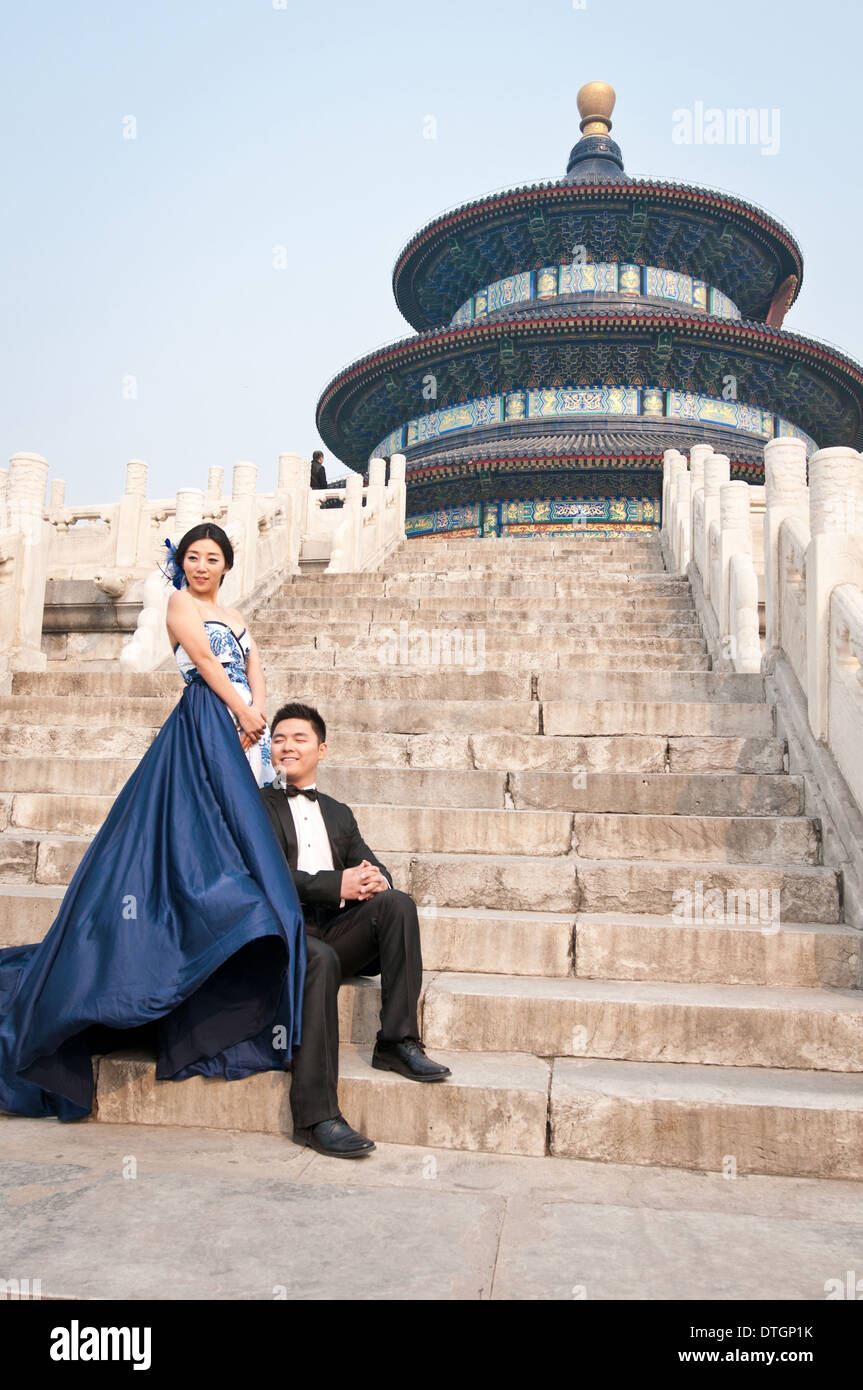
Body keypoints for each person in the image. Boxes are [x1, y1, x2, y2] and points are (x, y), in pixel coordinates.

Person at [0, 524, 306, 1123]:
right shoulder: (179, 604)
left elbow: (254, 666)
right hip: (205, 723)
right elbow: (202, 661)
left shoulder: (237, 613)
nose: (200, 566)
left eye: (212, 558)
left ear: (227, 565)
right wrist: (240, 709)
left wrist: (259, 715)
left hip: (246, 733)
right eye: (192, 556)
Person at [260, 702, 451, 1160]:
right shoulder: (256, 804)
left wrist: (374, 878)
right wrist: (334, 884)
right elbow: (264, 876)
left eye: (299, 738)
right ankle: (315, 1117)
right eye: (279, 738)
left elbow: (370, 860)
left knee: (397, 903)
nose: (287, 746)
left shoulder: (339, 813)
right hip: (284, 936)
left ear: (322, 750)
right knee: (318, 959)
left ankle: (397, 1040)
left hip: (336, 931)